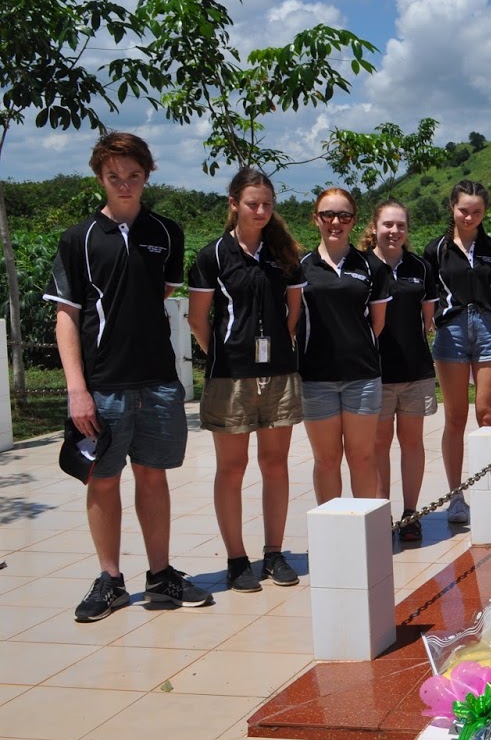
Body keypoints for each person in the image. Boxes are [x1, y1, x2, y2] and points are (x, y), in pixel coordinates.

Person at [48, 132, 212, 620]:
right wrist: (77, 390)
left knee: (153, 476)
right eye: (114, 176)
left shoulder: (166, 232)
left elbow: (159, 296)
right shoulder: (78, 239)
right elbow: (67, 317)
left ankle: (161, 577)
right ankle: (110, 579)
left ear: (147, 175)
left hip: (158, 380)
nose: (124, 185)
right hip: (103, 384)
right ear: (100, 177)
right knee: (101, 479)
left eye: (134, 176)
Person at [187, 166, 305, 593]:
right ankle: (237, 559)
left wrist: (279, 348)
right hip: (230, 377)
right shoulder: (212, 256)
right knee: (231, 468)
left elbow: (294, 313)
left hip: (278, 373)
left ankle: (274, 553)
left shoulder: (284, 255)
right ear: (234, 204)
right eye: (253, 203)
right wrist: (225, 352)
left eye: (267, 205)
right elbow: (198, 319)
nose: (261, 211)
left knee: (275, 465)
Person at [298, 188, 390, 505]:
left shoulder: (371, 267)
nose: (335, 222)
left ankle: (363, 536)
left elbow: (376, 323)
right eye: (328, 215)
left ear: (353, 221)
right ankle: (331, 538)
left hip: (361, 377)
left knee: (362, 458)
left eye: (344, 215)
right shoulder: (301, 267)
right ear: (316, 219)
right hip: (316, 378)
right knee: (326, 460)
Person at [425, 180, 491, 525]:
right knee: (456, 417)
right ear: (452, 208)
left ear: (484, 212)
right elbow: (428, 300)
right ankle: (456, 497)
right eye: (464, 210)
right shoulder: (436, 249)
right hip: (452, 330)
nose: (469, 216)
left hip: (488, 328)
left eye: (476, 211)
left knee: (488, 415)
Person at [363, 199, 436, 542]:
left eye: (400, 226)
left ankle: (411, 513)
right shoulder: (361, 266)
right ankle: (381, 513)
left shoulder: (420, 268)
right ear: (374, 227)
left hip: (415, 370)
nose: (394, 231)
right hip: (374, 372)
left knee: (412, 443)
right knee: (378, 445)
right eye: (387, 225)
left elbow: (428, 320)